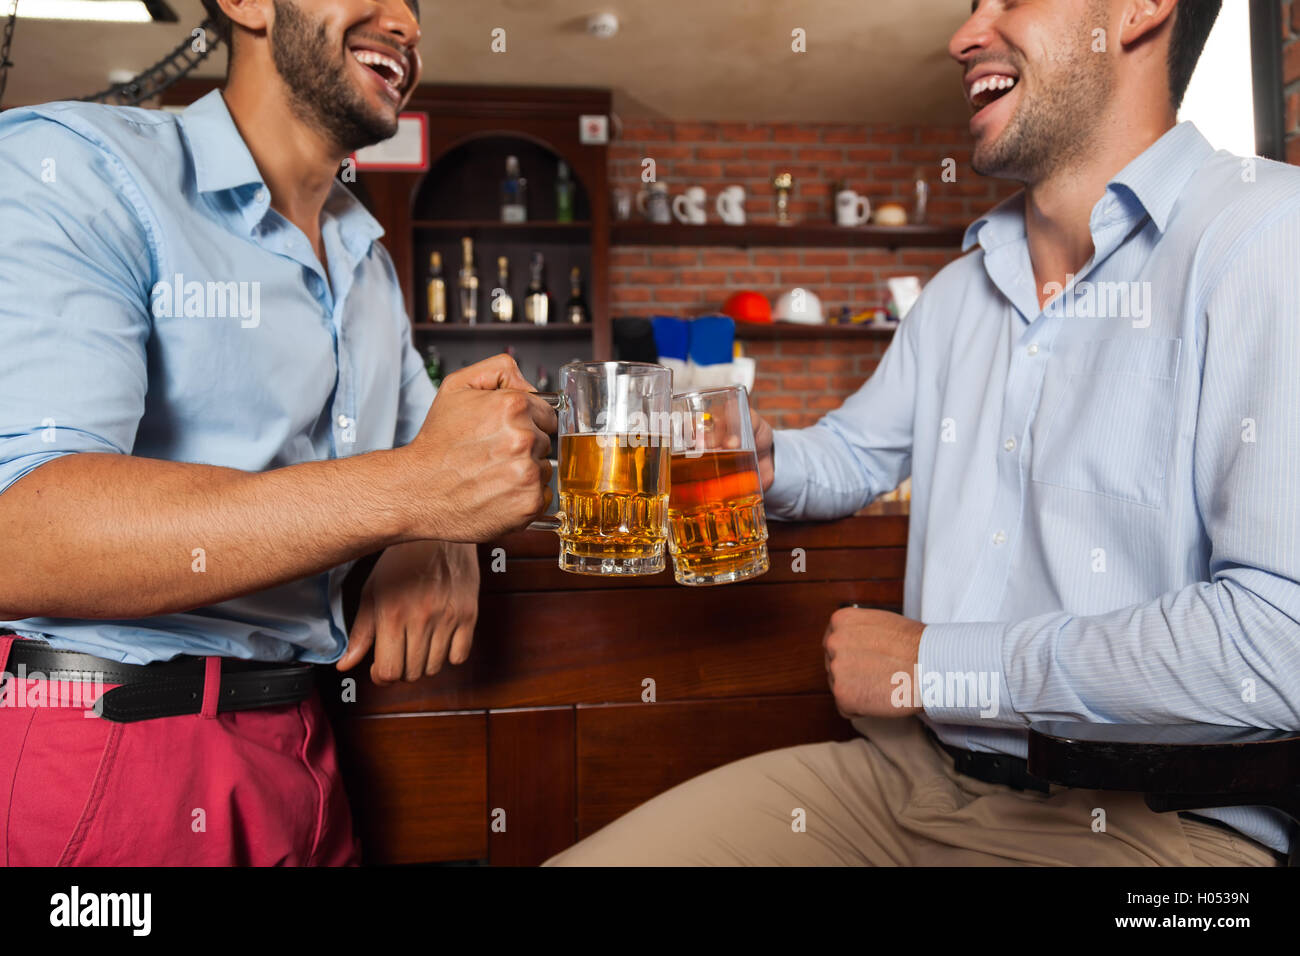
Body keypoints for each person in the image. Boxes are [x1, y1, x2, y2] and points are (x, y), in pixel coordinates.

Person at [548, 0, 1299, 866]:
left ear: (1139, 10)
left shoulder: (1268, 238)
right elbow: (857, 450)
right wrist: (769, 459)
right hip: (910, 783)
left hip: (1160, 830)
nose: (963, 36)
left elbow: (1280, 646)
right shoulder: (955, 293)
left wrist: (941, 666)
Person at [0, 0, 555, 866]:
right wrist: (417, 495)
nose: (405, 22)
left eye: (417, 4)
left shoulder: (367, 259)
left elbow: (441, 459)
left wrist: (437, 533)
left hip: (307, 753)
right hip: (111, 753)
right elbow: (19, 535)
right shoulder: (76, 164)